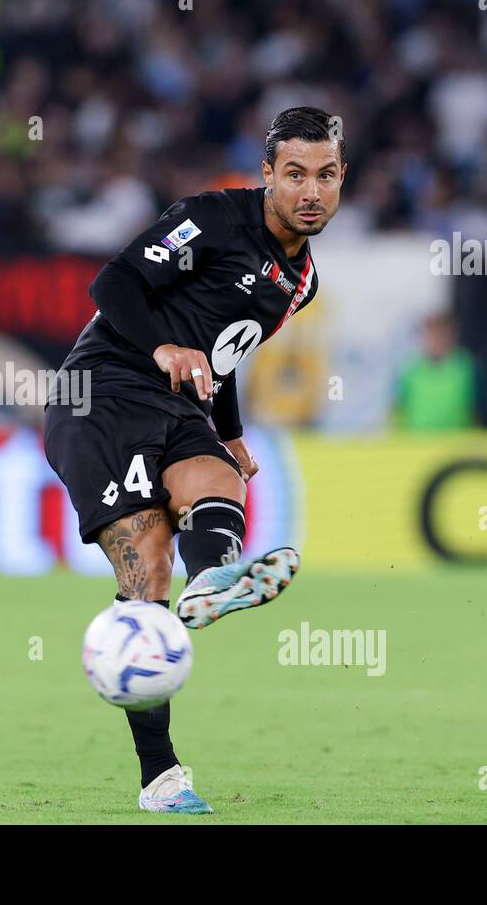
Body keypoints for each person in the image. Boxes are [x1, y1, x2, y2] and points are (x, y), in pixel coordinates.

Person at [44, 106, 346, 813]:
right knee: (147, 566)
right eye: (295, 174)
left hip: (182, 401)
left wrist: (232, 430)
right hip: (103, 394)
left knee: (220, 481)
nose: (311, 191)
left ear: (341, 180)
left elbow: (226, 346)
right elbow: (113, 284)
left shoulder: (301, 283)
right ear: (267, 175)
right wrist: (161, 349)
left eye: (326, 175)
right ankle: (161, 776)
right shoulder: (212, 219)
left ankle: (211, 584)